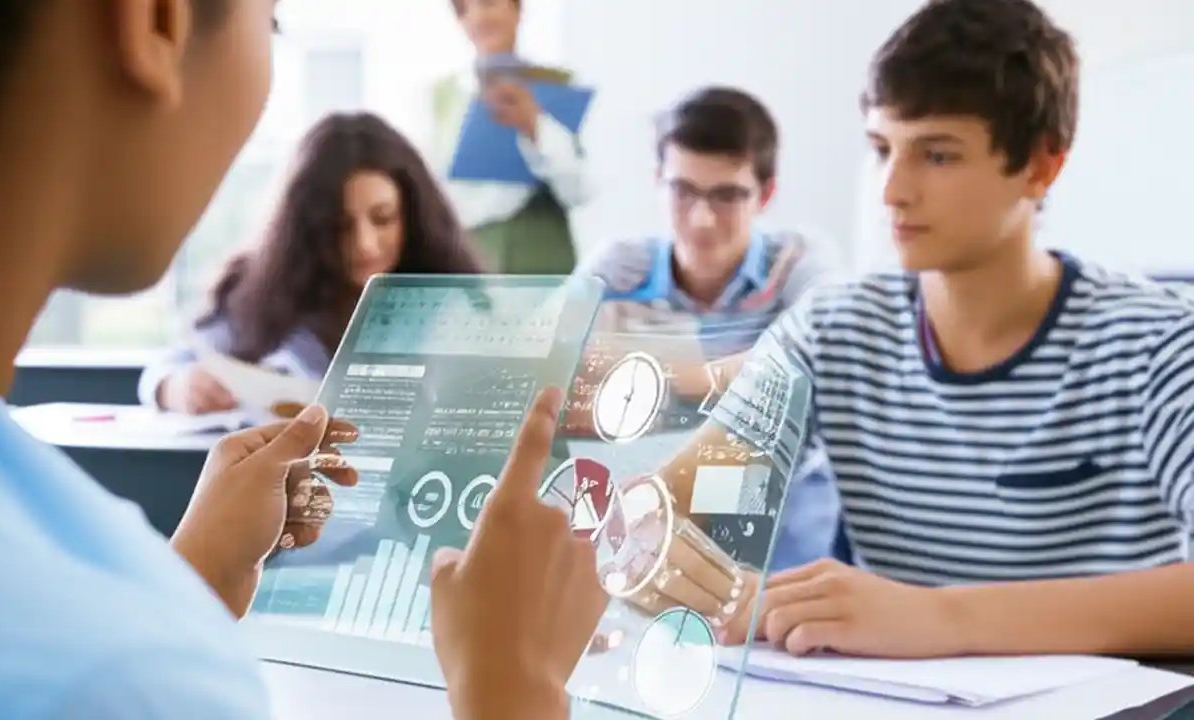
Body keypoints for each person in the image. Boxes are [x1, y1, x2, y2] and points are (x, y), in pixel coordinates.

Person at [0, 2, 602, 718]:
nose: (364, 243)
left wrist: (193, 578)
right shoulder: (111, 676)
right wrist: (513, 685)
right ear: (156, 22)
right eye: (271, 19)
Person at [643, 0, 1194, 659]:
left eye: (937, 155)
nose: (891, 191)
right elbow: (685, 506)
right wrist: (676, 556)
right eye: (882, 149)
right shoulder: (831, 333)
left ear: (1042, 166)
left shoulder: (1158, 345)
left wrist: (943, 618)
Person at [579, 86, 841, 573]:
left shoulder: (800, 259)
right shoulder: (618, 266)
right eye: (682, 191)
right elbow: (548, 367)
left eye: (726, 196)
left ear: (766, 193)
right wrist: (733, 375)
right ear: (658, 180)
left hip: (785, 523)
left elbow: (809, 367)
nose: (701, 219)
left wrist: (652, 376)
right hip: (645, 512)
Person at [141, 111, 482, 415]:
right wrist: (175, 386)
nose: (365, 244)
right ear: (306, 229)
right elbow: (172, 363)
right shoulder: (264, 295)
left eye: (383, 218)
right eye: (340, 226)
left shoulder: (455, 301)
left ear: (413, 216)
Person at [430, 0, 591, 274]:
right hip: (474, 258)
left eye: (488, 3)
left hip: (545, 257)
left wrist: (535, 127)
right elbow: (435, 192)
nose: (478, 17)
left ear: (517, 9)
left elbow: (579, 190)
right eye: (463, 10)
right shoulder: (442, 96)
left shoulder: (558, 85)